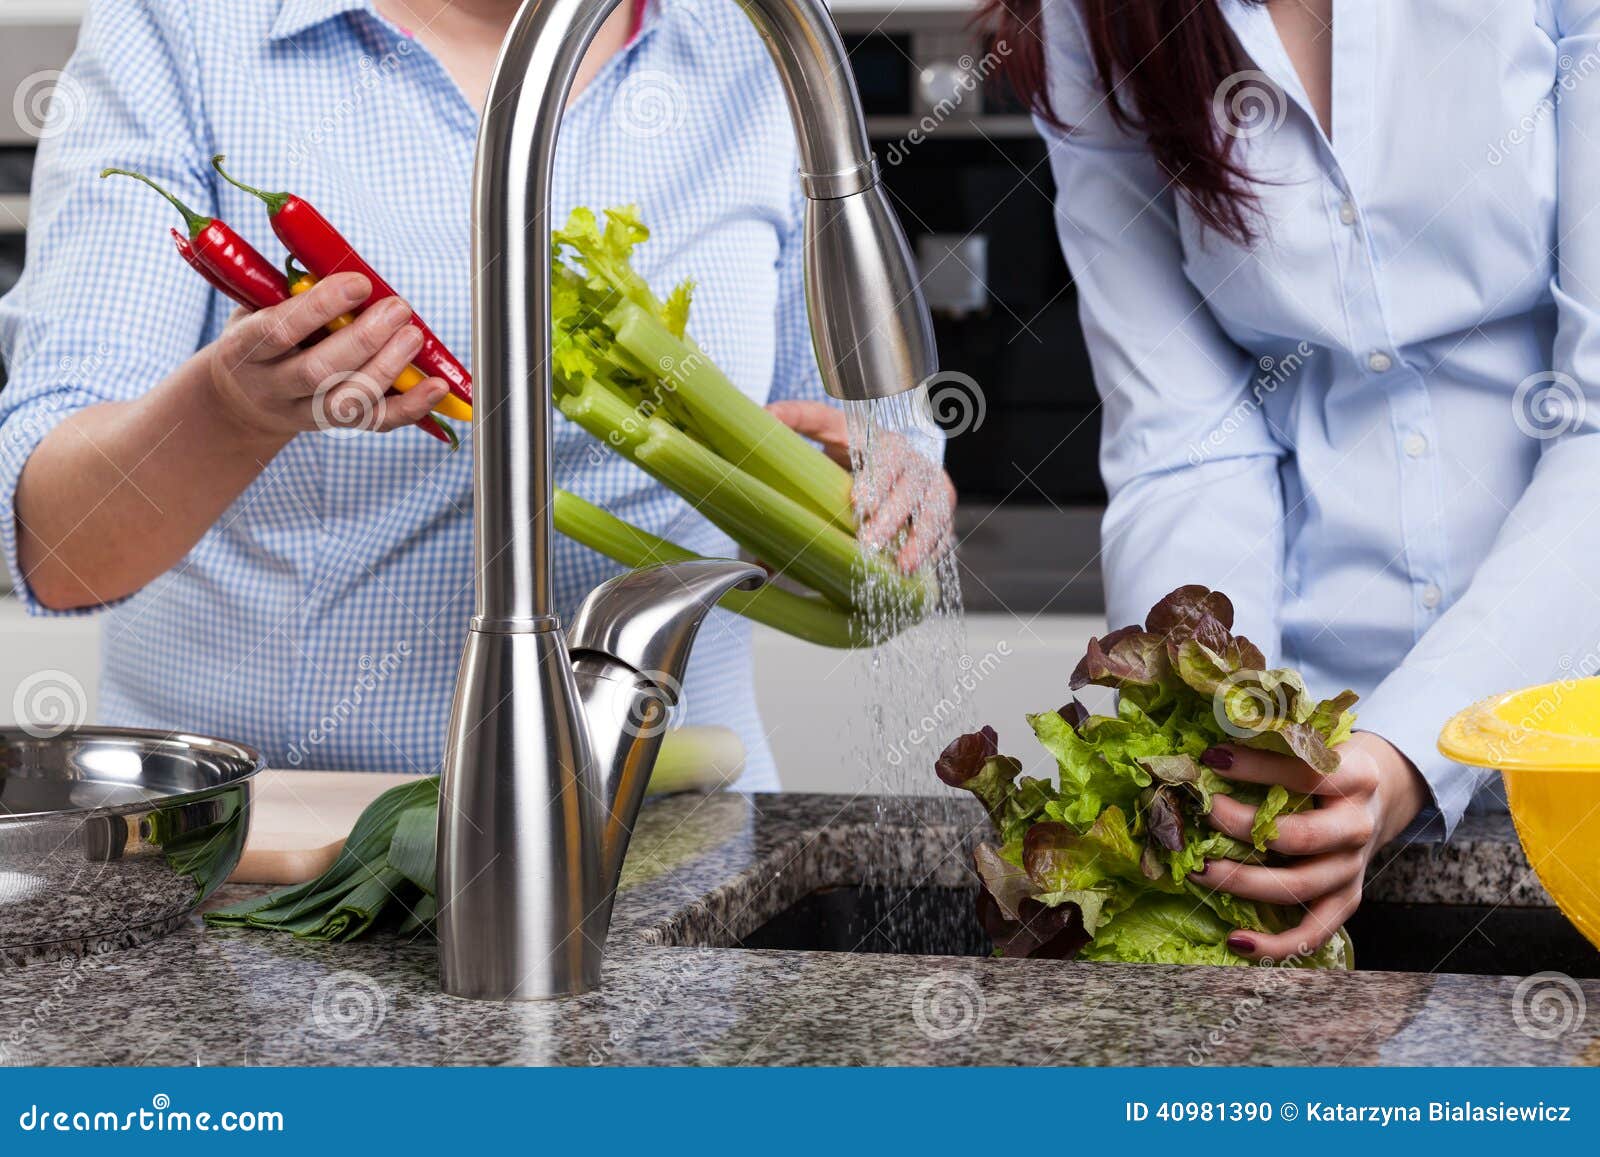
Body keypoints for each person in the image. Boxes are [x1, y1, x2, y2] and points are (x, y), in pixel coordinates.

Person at [0, 0, 952, 790]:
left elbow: (863, 473)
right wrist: (228, 413)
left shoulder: (755, 42)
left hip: (676, 832)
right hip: (285, 851)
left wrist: (864, 500)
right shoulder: (186, 29)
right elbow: (62, 550)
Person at [994, 0, 1600, 957]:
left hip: (1578, 752)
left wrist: (1408, 749)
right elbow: (1187, 438)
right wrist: (1218, 743)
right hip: (1327, 785)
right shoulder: (1096, 16)